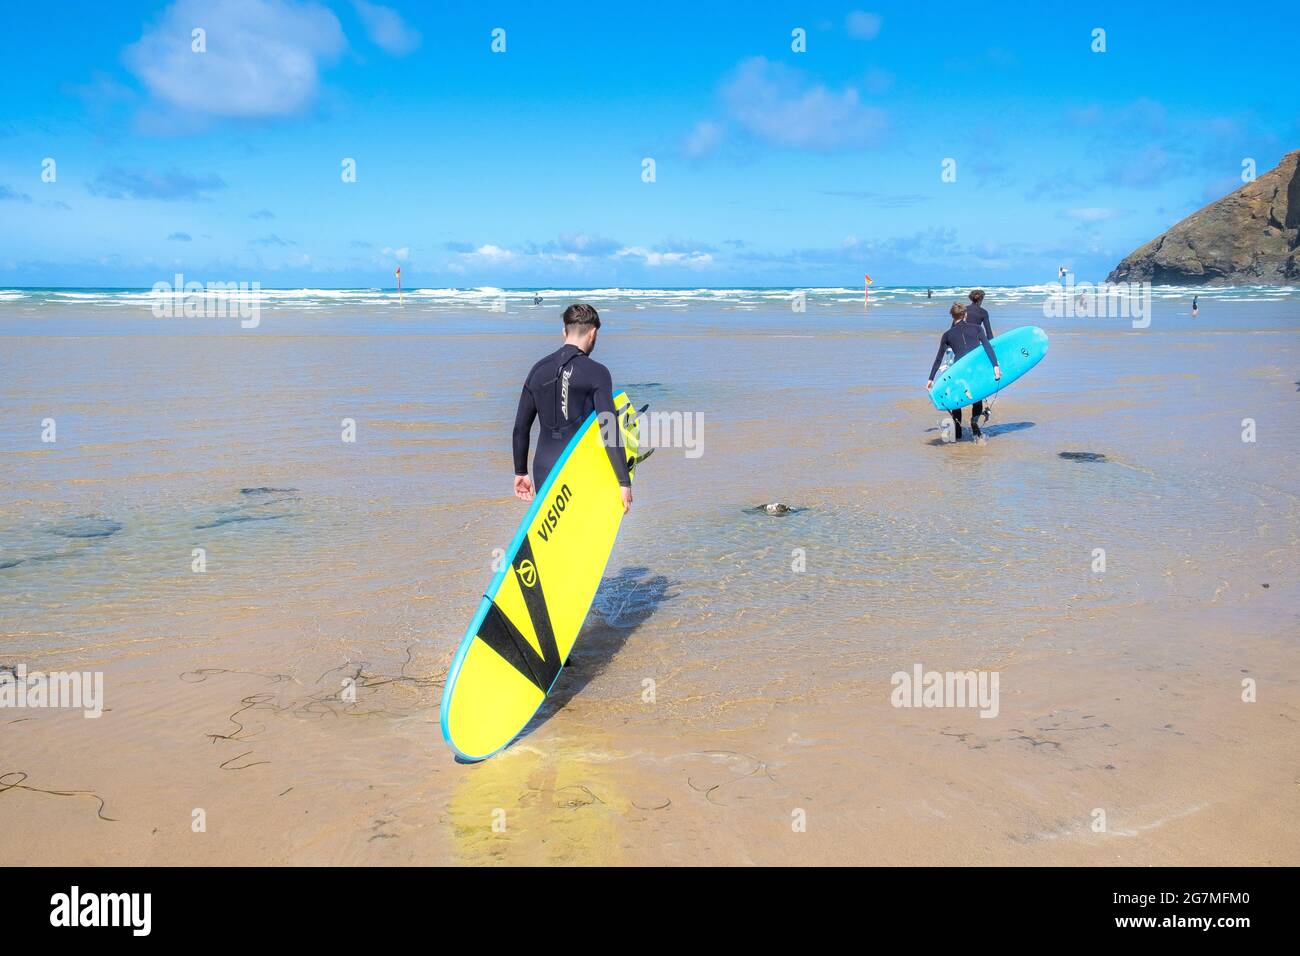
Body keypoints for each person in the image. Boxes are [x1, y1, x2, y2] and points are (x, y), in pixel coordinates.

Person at [512, 303, 632, 512]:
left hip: (544, 468)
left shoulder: (537, 370)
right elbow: (609, 429)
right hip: (580, 467)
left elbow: (520, 428)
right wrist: (624, 481)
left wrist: (520, 471)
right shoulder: (597, 372)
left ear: (564, 331)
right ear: (593, 333)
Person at [927, 302, 1001, 442]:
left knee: (956, 400)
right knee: (977, 398)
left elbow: (938, 359)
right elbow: (988, 348)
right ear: (965, 314)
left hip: (958, 371)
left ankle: (958, 430)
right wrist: (995, 366)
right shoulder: (978, 329)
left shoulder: (947, 335)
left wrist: (931, 379)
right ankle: (974, 422)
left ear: (952, 316)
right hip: (974, 370)